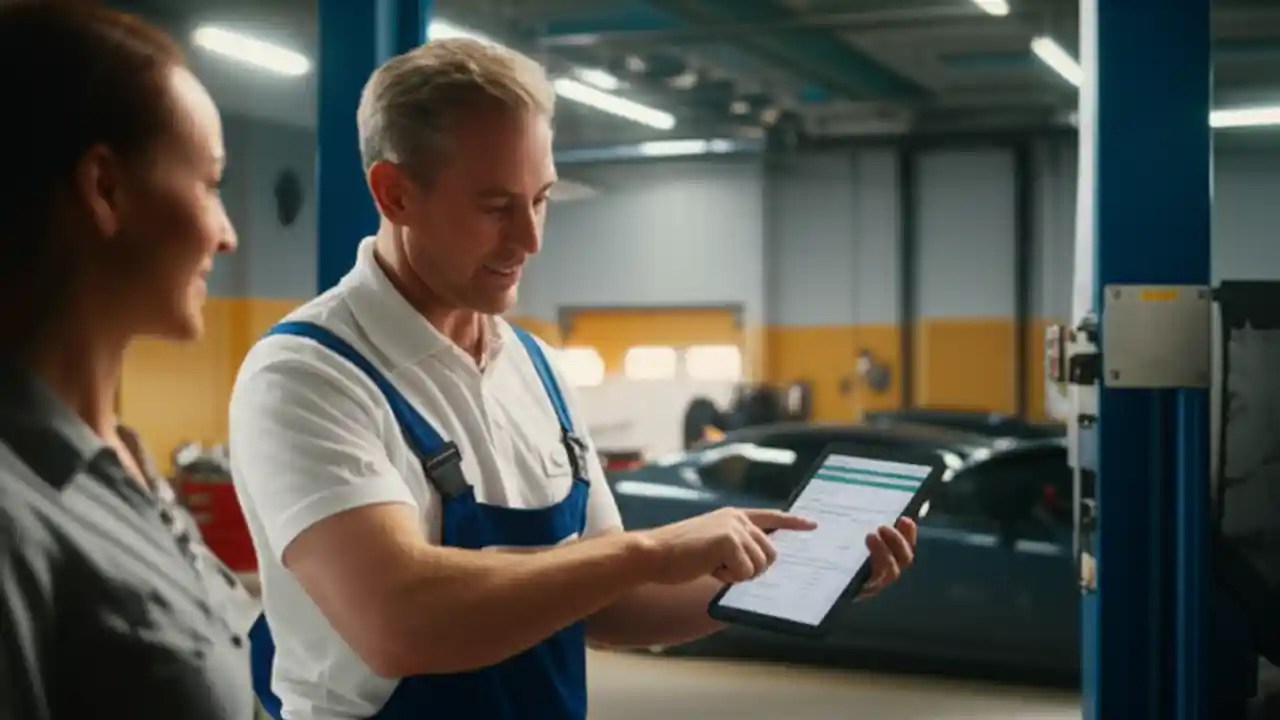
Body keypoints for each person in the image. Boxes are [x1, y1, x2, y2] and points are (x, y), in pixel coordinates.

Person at [229, 37, 918, 720]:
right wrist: (647, 550)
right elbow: (399, 620)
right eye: (496, 206)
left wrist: (802, 578)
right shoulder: (306, 376)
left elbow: (609, 605)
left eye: (543, 198)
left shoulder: (537, 370)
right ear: (395, 193)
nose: (529, 239)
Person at [0, 3, 255, 718]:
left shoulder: (122, 467)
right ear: (105, 189)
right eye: (210, 184)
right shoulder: (15, 515)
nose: (227, 234)